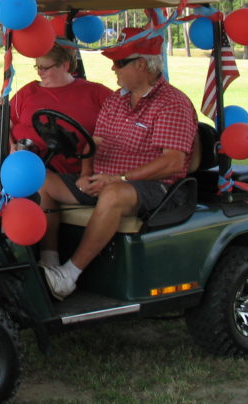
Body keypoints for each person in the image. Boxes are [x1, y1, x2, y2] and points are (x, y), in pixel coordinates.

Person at [37, 27, 198, 300]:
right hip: (108, 178)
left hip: (155, 188)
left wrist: (120, 178)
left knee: (112, 195)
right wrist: (86, 174)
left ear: (142, 64)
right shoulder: (117, 99)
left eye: (120, 63)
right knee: (41, 180)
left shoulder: (172, 103)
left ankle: (69, 275)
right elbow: (94, 143)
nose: (113, 68)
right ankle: (49, 263)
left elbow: (172, 162)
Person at [10, 42, 112, 174]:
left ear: (65, 65)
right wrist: (11, 147)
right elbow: (2, 122)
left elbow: (123, 118)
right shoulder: (29, 91)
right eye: (37, 67)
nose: (39, 73)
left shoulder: (96, 92)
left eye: (45, 68)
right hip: (22, 163)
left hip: (71, 171)